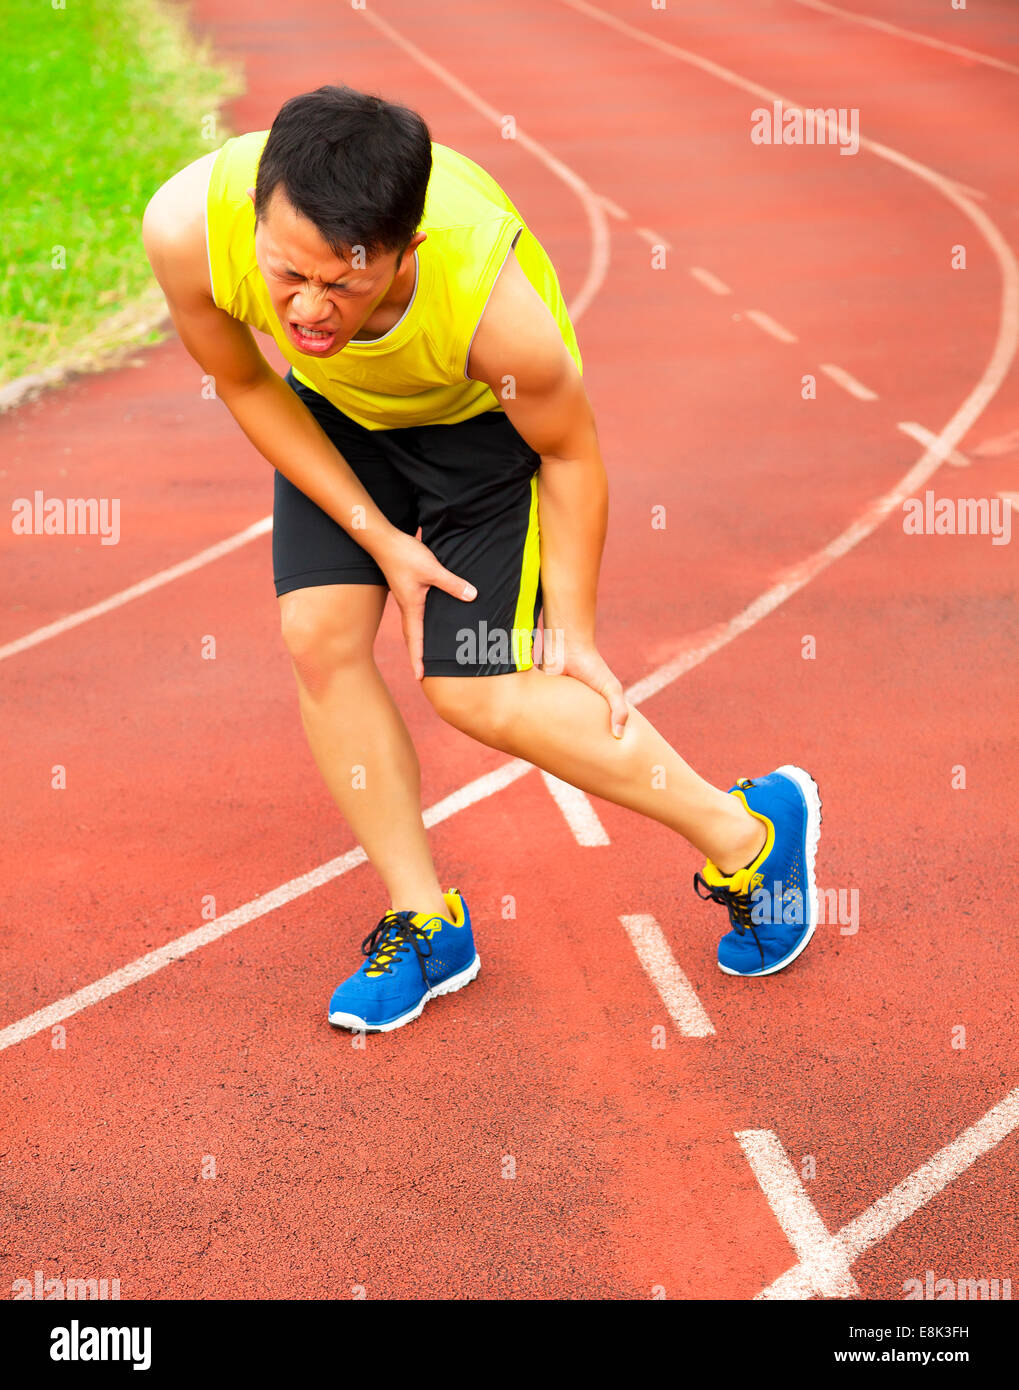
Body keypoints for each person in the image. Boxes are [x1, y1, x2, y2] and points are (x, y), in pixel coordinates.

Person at [143, 85, 822, 1032]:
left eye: (342, 285)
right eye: (285, 274)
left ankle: (748, 836)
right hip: (338, 420)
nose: (306, 307)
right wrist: (377, 538)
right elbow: (247, 378)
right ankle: (424, 923)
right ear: (257, 216)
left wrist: (574, 631)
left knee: (474, 689)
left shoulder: (495, 315)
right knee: (316, 636)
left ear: (404, 252)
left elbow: (570, 452)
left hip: (479, 426)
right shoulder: (187, 227)